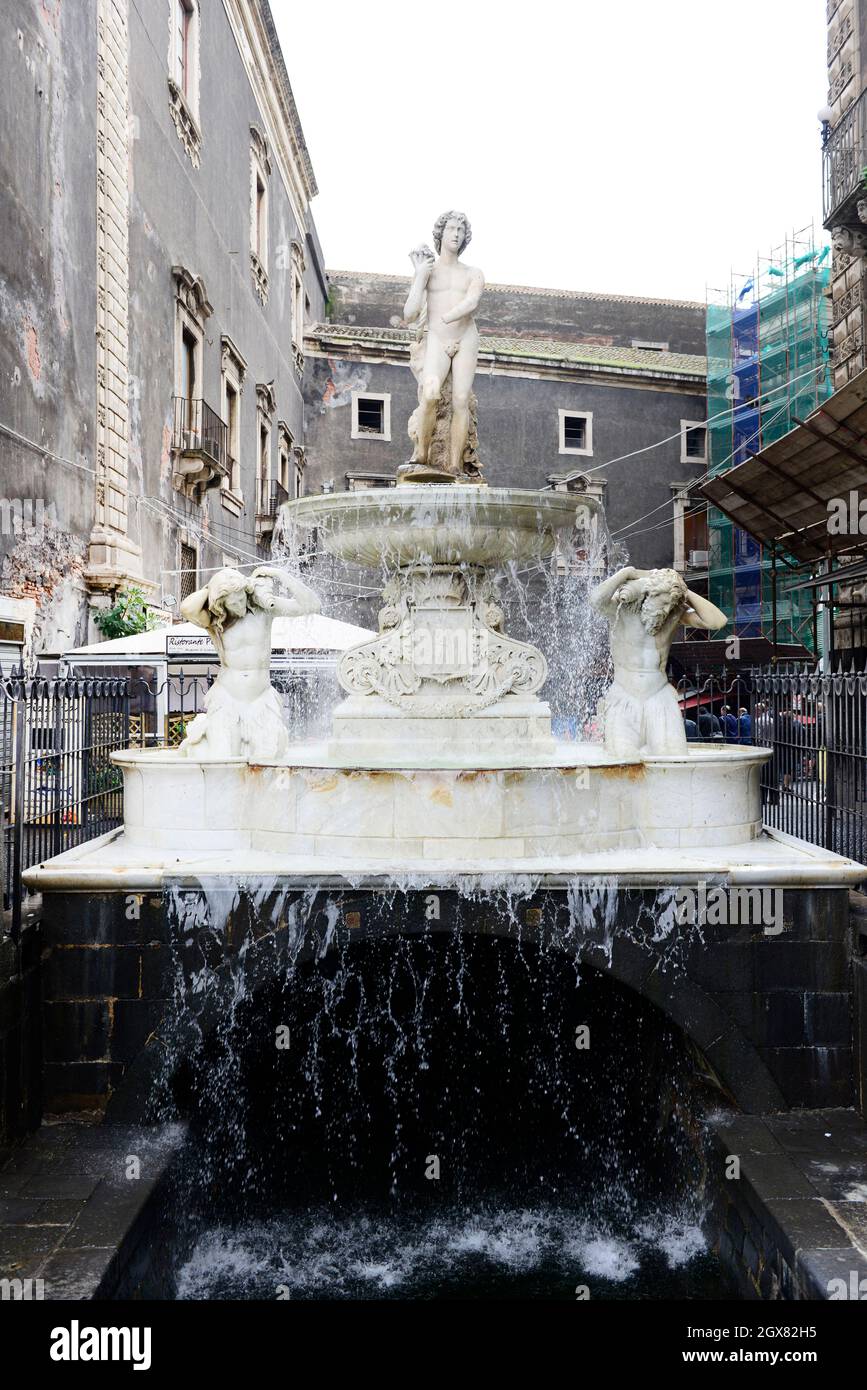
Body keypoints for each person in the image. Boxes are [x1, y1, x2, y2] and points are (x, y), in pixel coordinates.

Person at [179, 566, 320, 760]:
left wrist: (280, 574)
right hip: (226, 697)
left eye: (241, 597)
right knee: (222, 759)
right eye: (232, 601)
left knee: (267, 760)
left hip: (261, 698)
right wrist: (216, 585)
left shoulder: (265, 610)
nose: (238, 603)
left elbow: (312, 605)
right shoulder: (216, 621)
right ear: (221, 604)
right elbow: (187, 608)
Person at [590, 565, 727, 756]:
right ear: (649, 594)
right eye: (662, 603)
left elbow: (717, 621)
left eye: (669, 605)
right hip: (624, 696)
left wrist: (683, 591)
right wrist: (626, 573)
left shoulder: (673, 613)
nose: (664, 609)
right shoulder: (621, 609)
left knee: (673, 758)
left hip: (659, 696)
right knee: (622, 760)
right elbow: (595, 600)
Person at [402, 211, 485, 480]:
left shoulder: (474, 273)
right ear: (440, 233)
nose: (456, 234)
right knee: (430, 395)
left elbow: (472, 303)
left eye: (461, 230)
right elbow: (410, 314)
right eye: (451, 228)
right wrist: (418, 276)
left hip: (465, 337)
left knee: (461, 400)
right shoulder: (429, 270)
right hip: (437, 337)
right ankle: (421, 454)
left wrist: (448, 317)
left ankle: (454, 465)